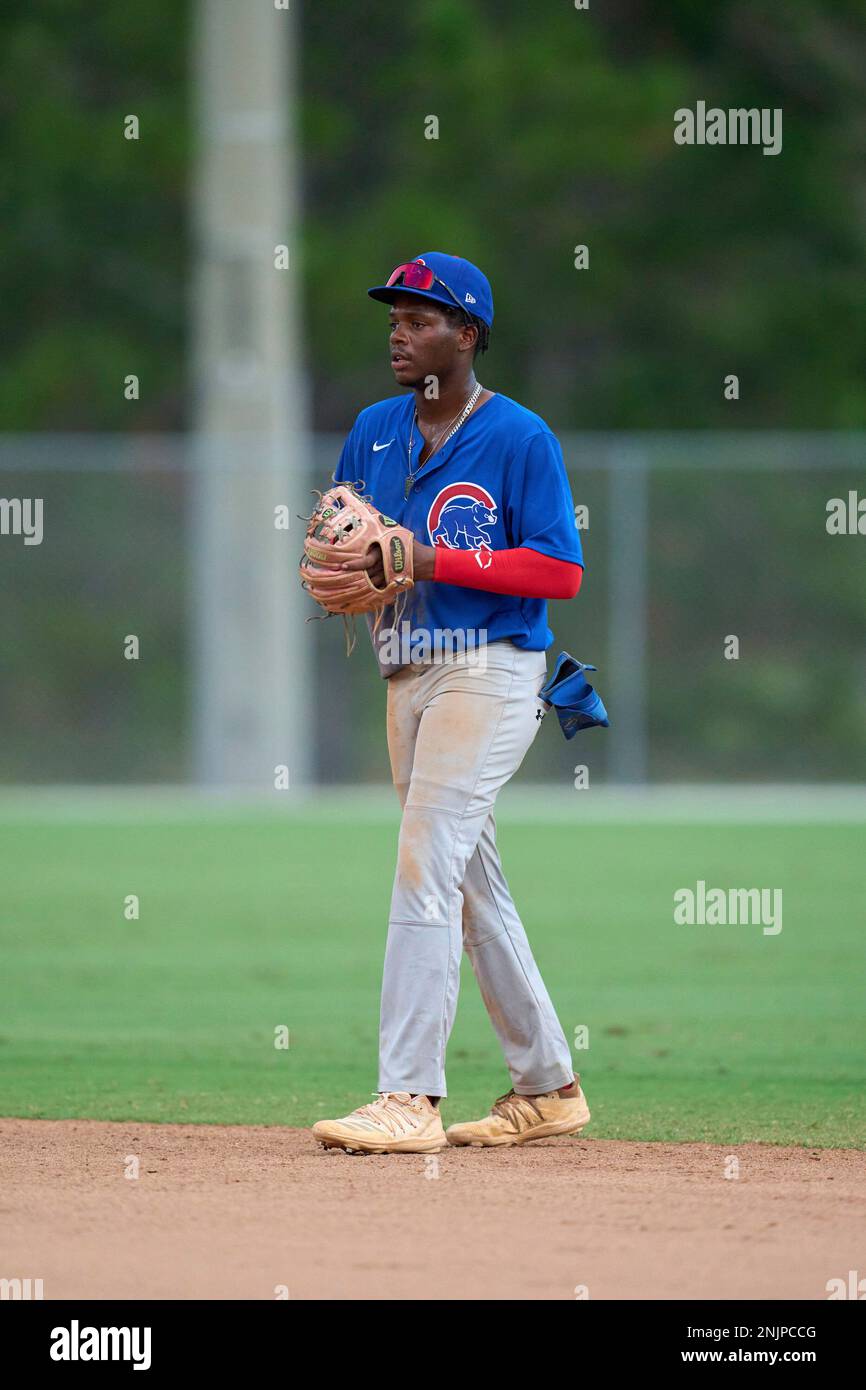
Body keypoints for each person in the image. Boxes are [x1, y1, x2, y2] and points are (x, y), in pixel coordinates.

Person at [312, 253, 591, 1154]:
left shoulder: (519, 438)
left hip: (495, 668)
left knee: (424, 862)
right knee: (472, 887)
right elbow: (349, 540)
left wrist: (429, 559)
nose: (399, 330)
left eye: (421, 318)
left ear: (467, 335)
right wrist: (338, 570)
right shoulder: (373, 431)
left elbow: (559, 569)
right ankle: (549, 1086)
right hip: (408, 671)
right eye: (394, 316)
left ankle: (407, 1098)